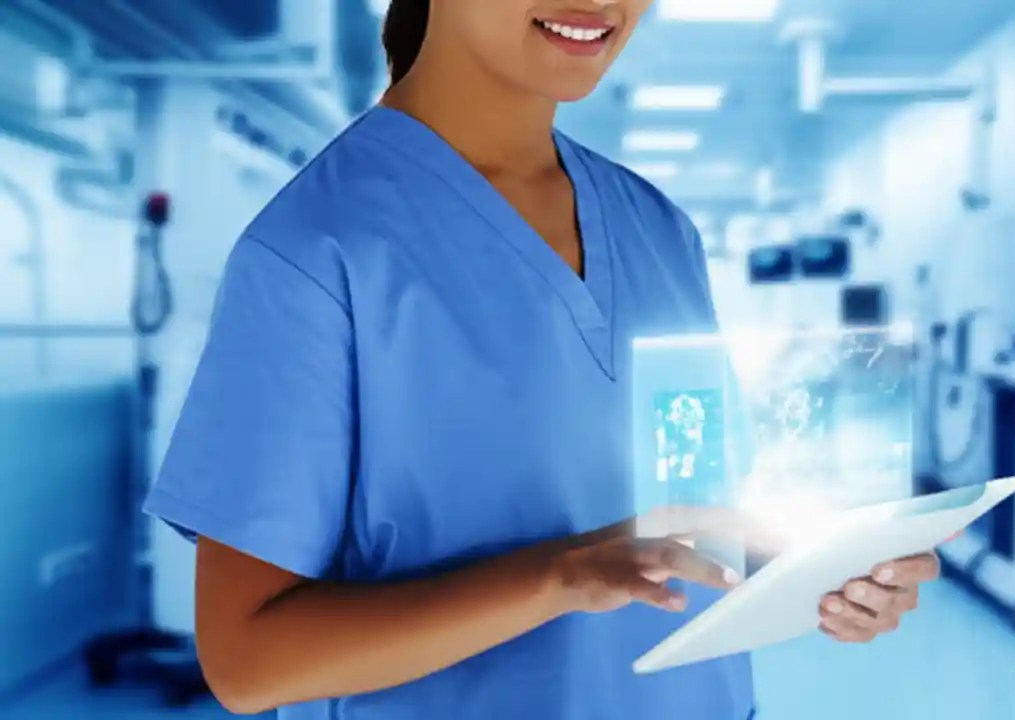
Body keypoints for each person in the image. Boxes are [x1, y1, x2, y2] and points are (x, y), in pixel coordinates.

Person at [143, 0, 941, 718]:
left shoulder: (660, 229)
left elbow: (690, 521)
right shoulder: (318, 252)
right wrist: (558, 576)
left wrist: (823, 570)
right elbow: (246, 663)